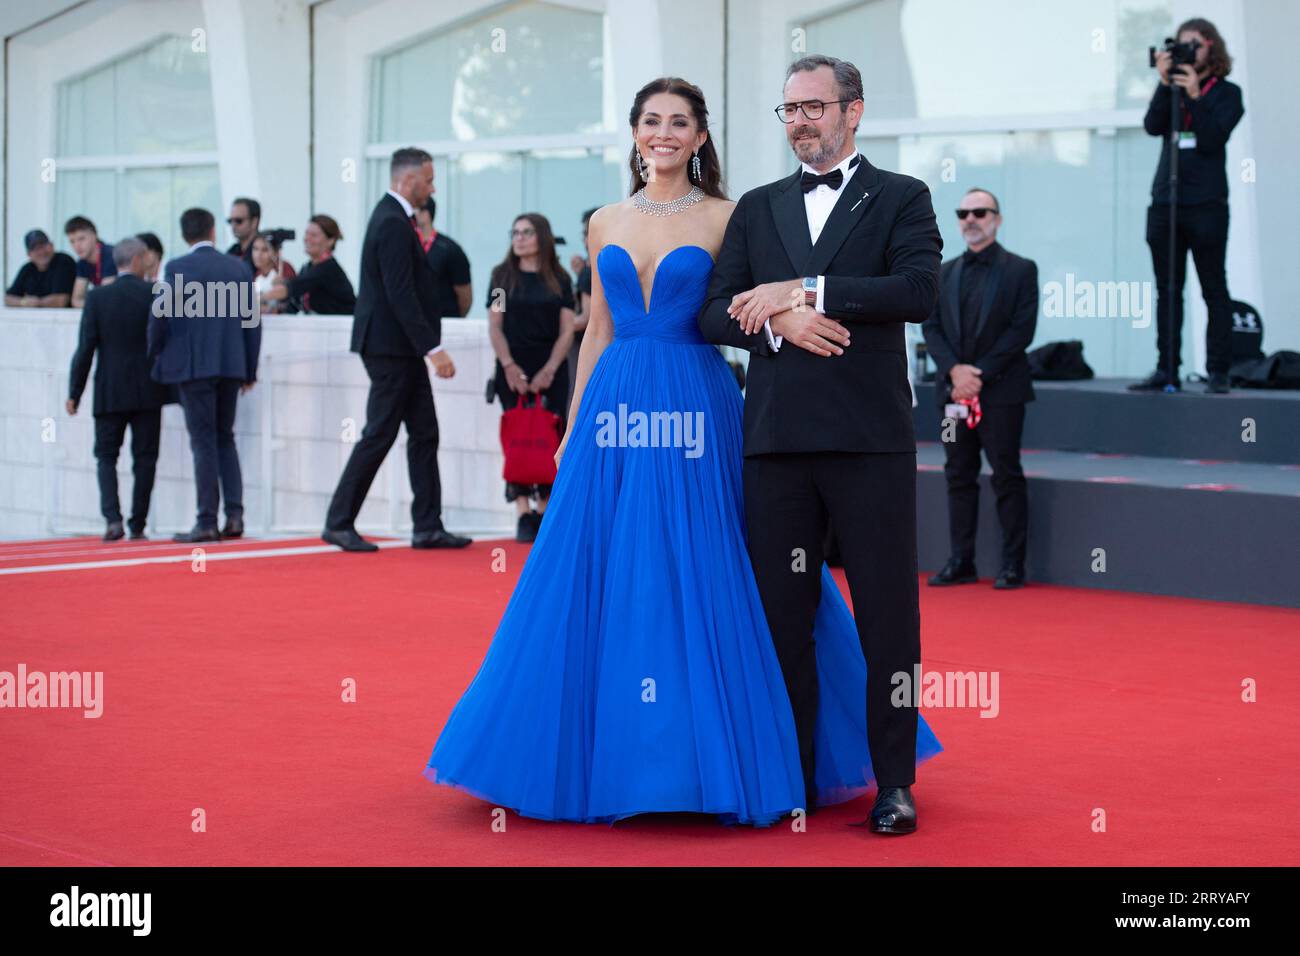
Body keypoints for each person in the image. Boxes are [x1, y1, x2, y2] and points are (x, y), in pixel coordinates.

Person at [423, 76, 941, 826]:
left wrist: (798, 300)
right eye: (650, 120)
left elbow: (907, 290)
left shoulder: (768, 210)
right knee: (675, 589)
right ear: (634, 131)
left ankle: (868, 776)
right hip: (635, 414)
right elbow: (627, 324)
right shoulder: (628, 218)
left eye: (680, 122)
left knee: (810, 598)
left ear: (701, 137)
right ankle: (719, 762)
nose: (663, 132)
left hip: (735, 416)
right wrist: (575, 424)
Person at [698, 55, 944, 834]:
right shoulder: (758, 207)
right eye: (789, 109)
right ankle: (791, 773)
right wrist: (776, 321)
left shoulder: (901, 197)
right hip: (774, 444)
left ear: (854, 111)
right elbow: (710, 313)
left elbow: (917, 291)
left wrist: (808, 291)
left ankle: (895, 784)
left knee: (887, 618)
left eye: (813, 105)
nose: (800, 120)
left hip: (868, 442)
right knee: (781, 618)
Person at [322, 147, 471, 552]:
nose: (433, 186)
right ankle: (339, 521)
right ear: (408, 181)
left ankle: (427, 526)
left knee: (424, 432)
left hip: (398, 347)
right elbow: (399, 293)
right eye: (428, 179)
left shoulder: (396, 219)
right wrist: (433, 349)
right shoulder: (391, 221)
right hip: (391, 348)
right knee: (380, 432)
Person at [922, 188, 1038, 590]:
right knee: (958, 474)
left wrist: (979, 375)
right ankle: (961, 561)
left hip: (1002, 393)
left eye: (980, 212)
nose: (971, 218)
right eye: (963, 212)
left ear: (997, 219)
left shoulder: (1022, 270)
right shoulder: (942, 271)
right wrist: (955, 372)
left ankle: (1012, 564)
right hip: (953, 396)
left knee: (1006, 474)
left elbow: (1021, 331)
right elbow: (931, 328)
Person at [1130, 17, 1243, 395]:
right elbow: (1152, 125)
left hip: (1207, 204)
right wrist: (1166, 85)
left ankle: (1219, 371)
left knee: (1213, 287)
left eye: (1193, 44)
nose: (1187, 51)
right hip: (1167, 202)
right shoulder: (1172, 90)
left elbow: (1213, 138)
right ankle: (1167, 369)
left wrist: (1197, 94)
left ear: (1211, 46)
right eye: (1181, 44)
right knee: (1167, 289)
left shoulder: (1227, 93)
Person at [148, 208, 261, 542]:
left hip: (194, 366)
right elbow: (252, 322)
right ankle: (235, 516)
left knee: (203, 441)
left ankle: (206, 520)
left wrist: (154, 352)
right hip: (231, 365)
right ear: (213, 231)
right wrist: (249, 368)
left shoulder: (177, 268)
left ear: (185, 235)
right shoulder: (238, 268)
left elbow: (159, 317)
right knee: (225, 437)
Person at [67, 238, 170, 541]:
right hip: (149, 389)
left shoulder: (98, 298)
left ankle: (112, 519)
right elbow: (168, 343)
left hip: (109, 389)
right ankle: (138, 524)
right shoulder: (156, 294)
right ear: (137, 260)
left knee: (106, 456)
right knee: (146, 457)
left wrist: (75, 392)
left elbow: (85, 348)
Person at [486, 213, 575, 542]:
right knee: (518, 437)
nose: (519, 238)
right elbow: (495, 325)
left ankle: (545, 507)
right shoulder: (503, 277)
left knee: (549, 436)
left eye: (527, 232)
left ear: (542, 237)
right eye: (515, 233)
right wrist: (509, 366)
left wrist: (550, 369)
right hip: (513, 368)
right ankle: (522, 510)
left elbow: (567, 329)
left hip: (550, 367)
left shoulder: (559, 279)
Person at [264, 215, 356, 314]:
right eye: (306, 233)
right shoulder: (308, 267)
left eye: (314, 235)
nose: (307, 238)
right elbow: (296, 301)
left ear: (330, 241)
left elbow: (293, 287)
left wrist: (257, 298)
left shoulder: (328, 269)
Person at [414, 198, 472, 318]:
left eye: (413, 211)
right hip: (415, 323)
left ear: (425, 214)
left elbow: (465, 297)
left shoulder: (450, 249)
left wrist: (453, 320)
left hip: (445, 322)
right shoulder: (408, 245)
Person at [565, 207, 598, 409]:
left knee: (579, 400)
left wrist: (554, 325)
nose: (585, 241)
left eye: (589, 233)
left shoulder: (590, 271)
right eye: (584, 234)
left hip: (585, 346)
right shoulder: (591, 269)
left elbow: (586, 318)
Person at [5, 230, 75, 307]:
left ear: (52, 245)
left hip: (67, 318)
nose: (41, 252)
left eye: (43, 246)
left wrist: (36, 303)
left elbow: (60, 301)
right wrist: (23, 302)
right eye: (35, 249)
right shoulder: (27, 269)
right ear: (29, 254)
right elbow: (7, 298)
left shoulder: (63, 261)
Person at [65, 216, 116, 307]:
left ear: (94, 235)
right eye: (72, 241)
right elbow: (76, 300)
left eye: (81, 239)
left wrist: (91, 304)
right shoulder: (82, 262)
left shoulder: (110, 254)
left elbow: (105, 297)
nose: (77, 245)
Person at [250, 233, 296, 314]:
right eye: (255, 249)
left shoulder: (284, 269)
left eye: (265, 250)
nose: (258, 254)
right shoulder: (255, 274)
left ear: (276, 253)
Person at [225, 197, 261, 263]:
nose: (233, 225)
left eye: (238, 221)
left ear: (254, 222)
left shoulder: (265, 252)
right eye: (230, 221)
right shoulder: (231, 253)